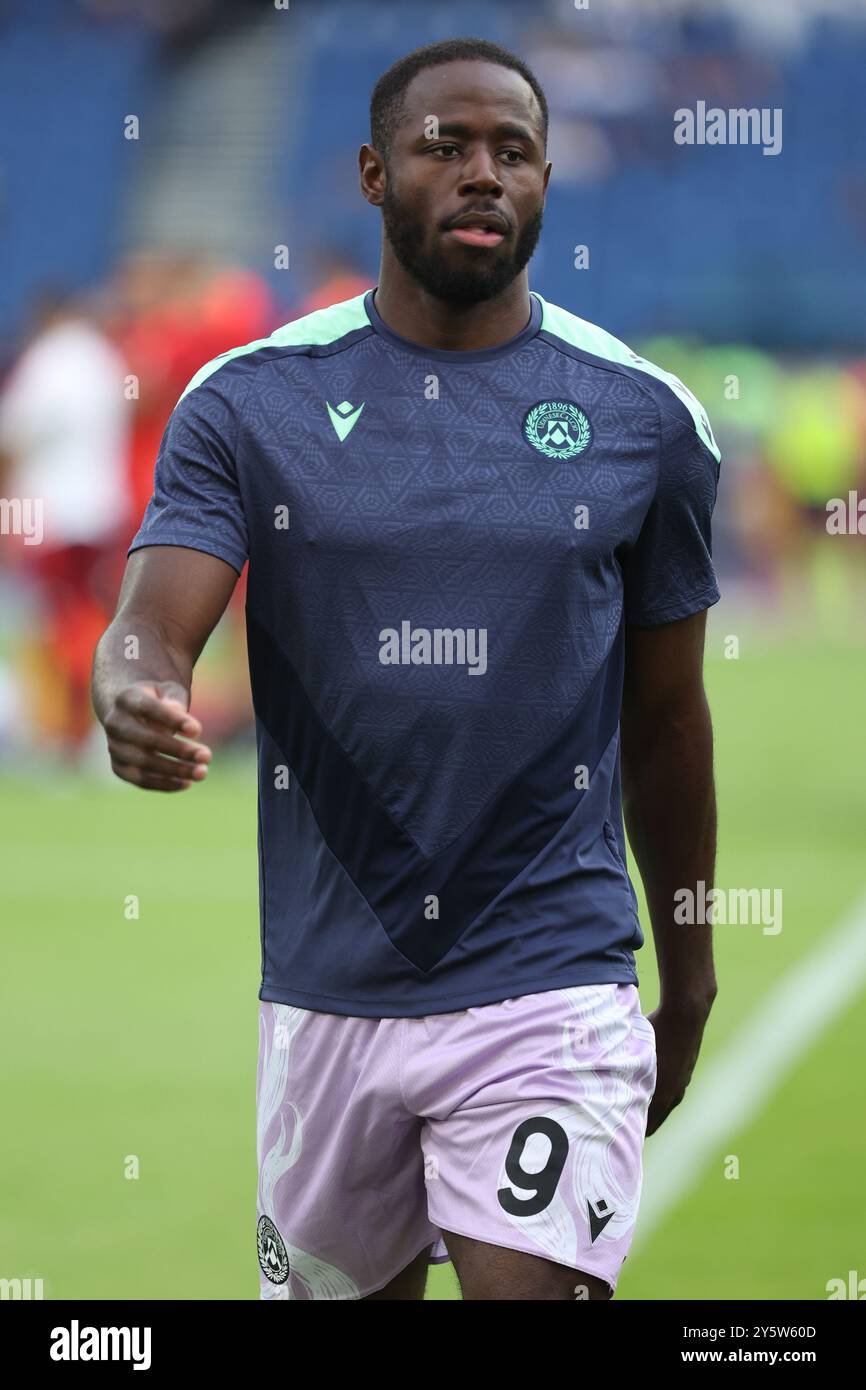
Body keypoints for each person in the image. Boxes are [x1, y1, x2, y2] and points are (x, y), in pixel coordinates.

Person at [91, 37, 720, 1301]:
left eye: (513, 151)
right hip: (328, 989)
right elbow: (153, 625)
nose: (482, 174)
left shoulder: (644, 418)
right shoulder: (246, 402)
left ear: (546, 181)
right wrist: (131, 693)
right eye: (445, 147)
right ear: (375, 174)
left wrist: (690, 974)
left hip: (551, 974)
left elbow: (664, 721)